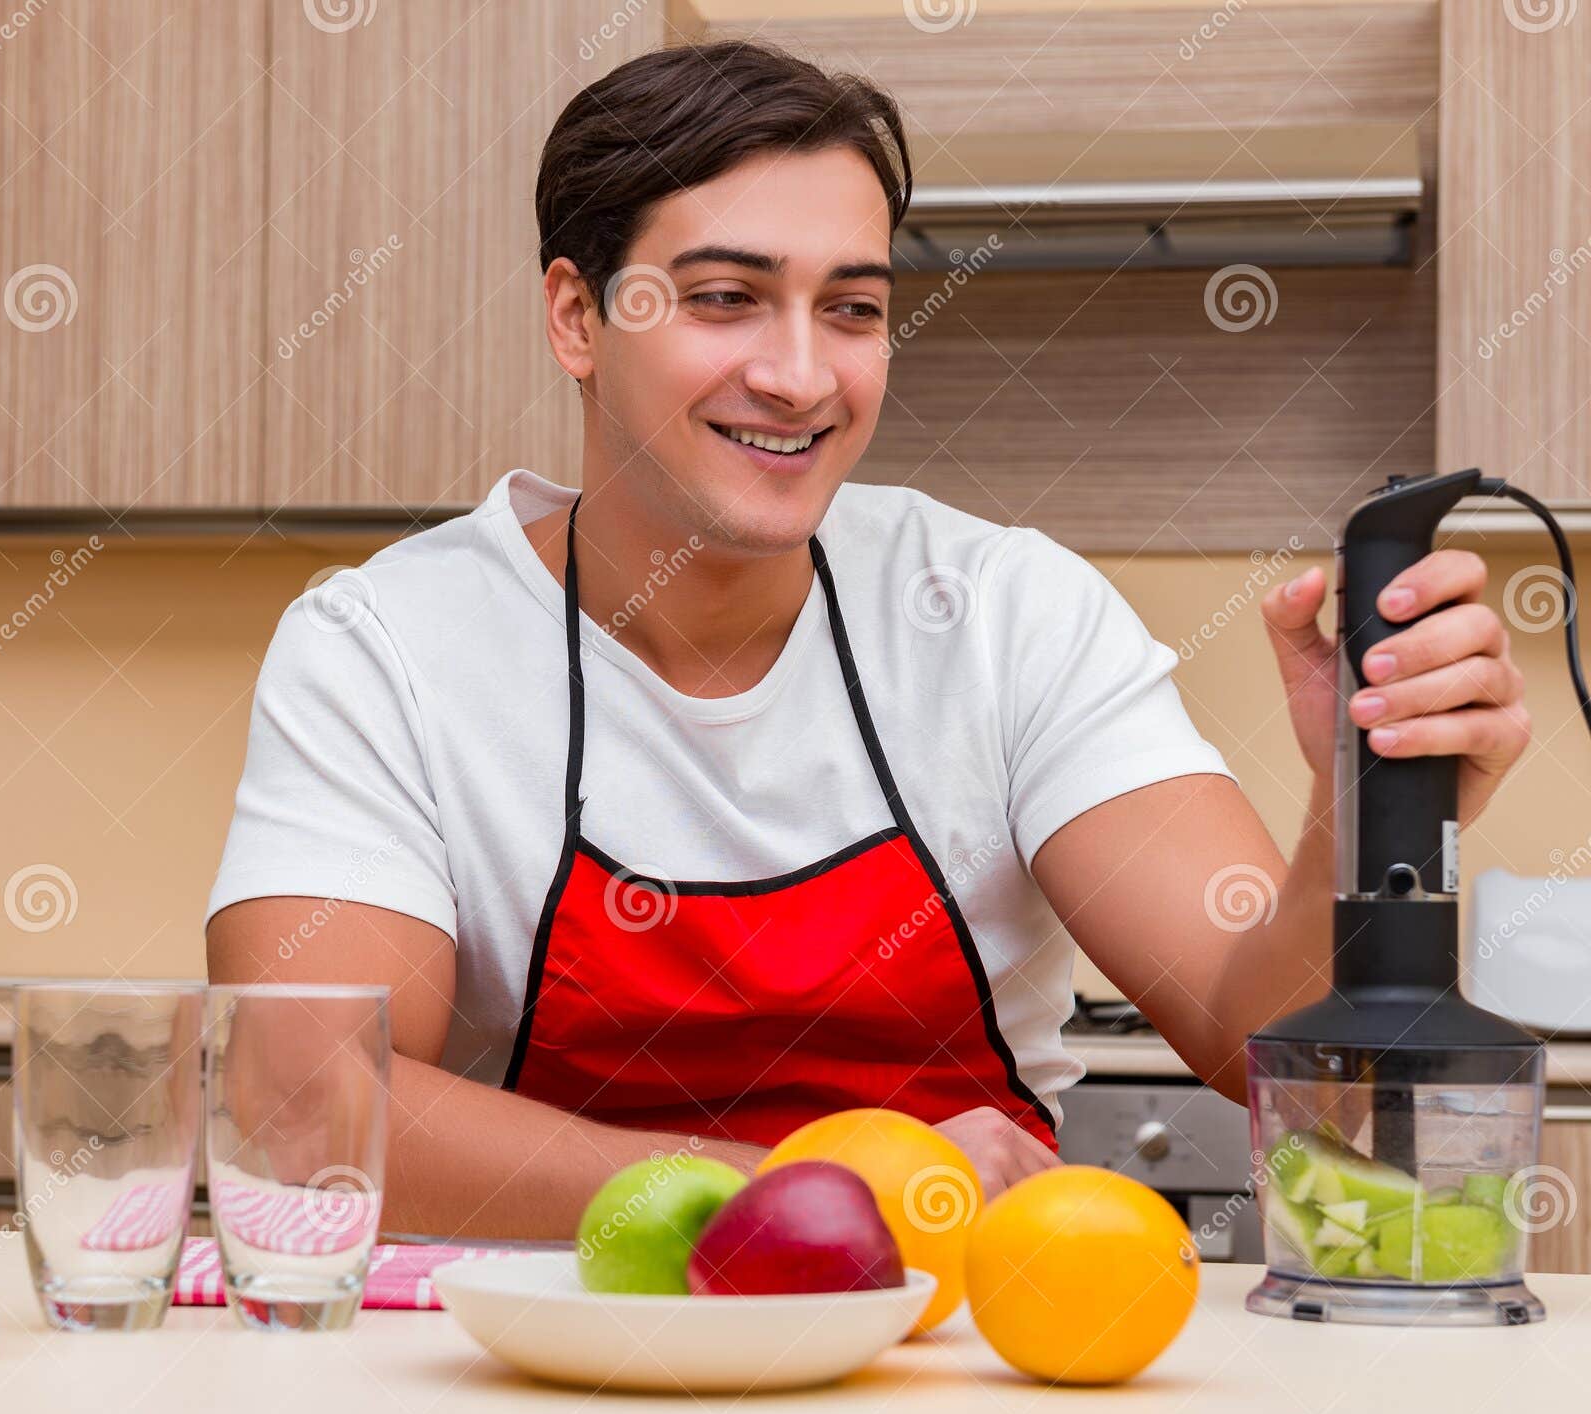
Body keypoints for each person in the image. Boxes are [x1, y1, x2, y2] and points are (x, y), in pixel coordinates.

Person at [205, 40, 1529, 1239]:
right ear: (576, 318)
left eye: (850, 308)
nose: (800, 377)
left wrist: (1358, 811)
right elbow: (306, 1108)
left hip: (960, 1366)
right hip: (543, 1364)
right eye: (725, 297)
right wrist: (809, 1187)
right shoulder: (385, 648)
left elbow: (1269, 1052)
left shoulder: (1005, 616)